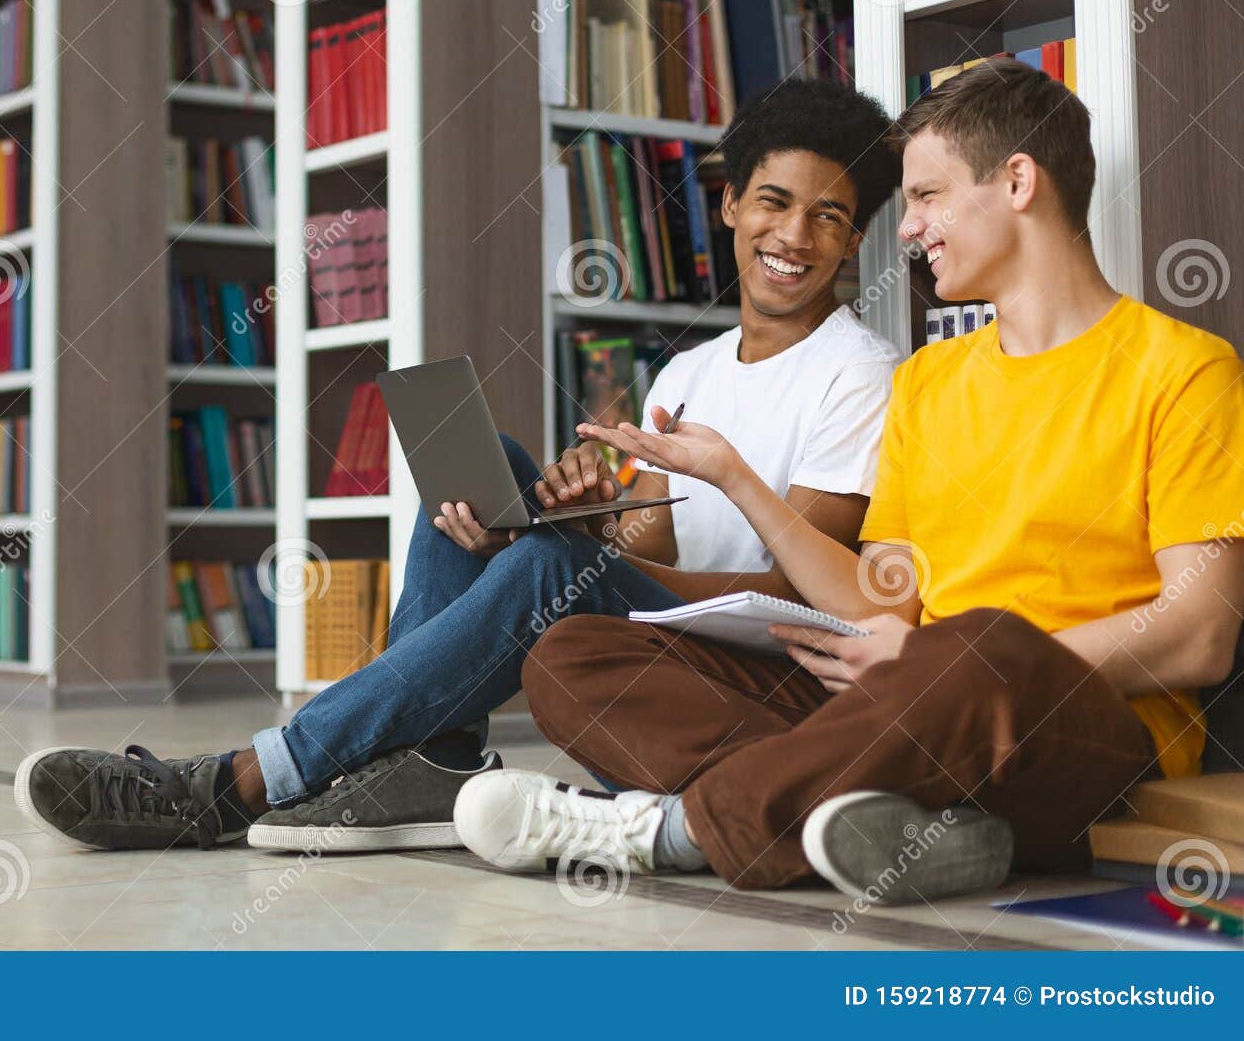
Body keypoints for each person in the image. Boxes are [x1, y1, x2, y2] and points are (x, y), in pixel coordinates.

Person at [14, 78, 903, 854]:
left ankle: (242, 780)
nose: (795, 234)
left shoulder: (858, 371)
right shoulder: (690, 372)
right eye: (774, 202)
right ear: (732, 205)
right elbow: (657, 542)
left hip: (760, 659)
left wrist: (580, 563)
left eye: (828, 216)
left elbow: (795, 592)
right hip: (671, 624)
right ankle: (433, 759)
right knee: (498, 472)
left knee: (551, 560)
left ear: (854, 237)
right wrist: (595, 522)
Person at [454, 59, 1244, 905]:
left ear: (1018, 182)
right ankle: (903, 824)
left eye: (927, 196)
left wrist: (937, 659)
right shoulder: (929, 383)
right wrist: (737, 479)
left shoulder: (1185, 370)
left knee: (987, 644)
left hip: (1080, 733)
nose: (908, 229)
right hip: (908, 703)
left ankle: (672, 830)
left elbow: (1200, 633)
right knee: (574, 652)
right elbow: (883, 604)